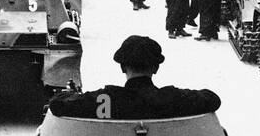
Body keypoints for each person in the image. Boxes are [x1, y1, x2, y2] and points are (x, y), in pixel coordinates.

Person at [49, 35, 220, 118]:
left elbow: (57, 104)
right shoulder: (171, 100)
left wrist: (69, 94)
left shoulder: (106, 101)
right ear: (156, 68)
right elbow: (212, 99)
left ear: (123, 67)